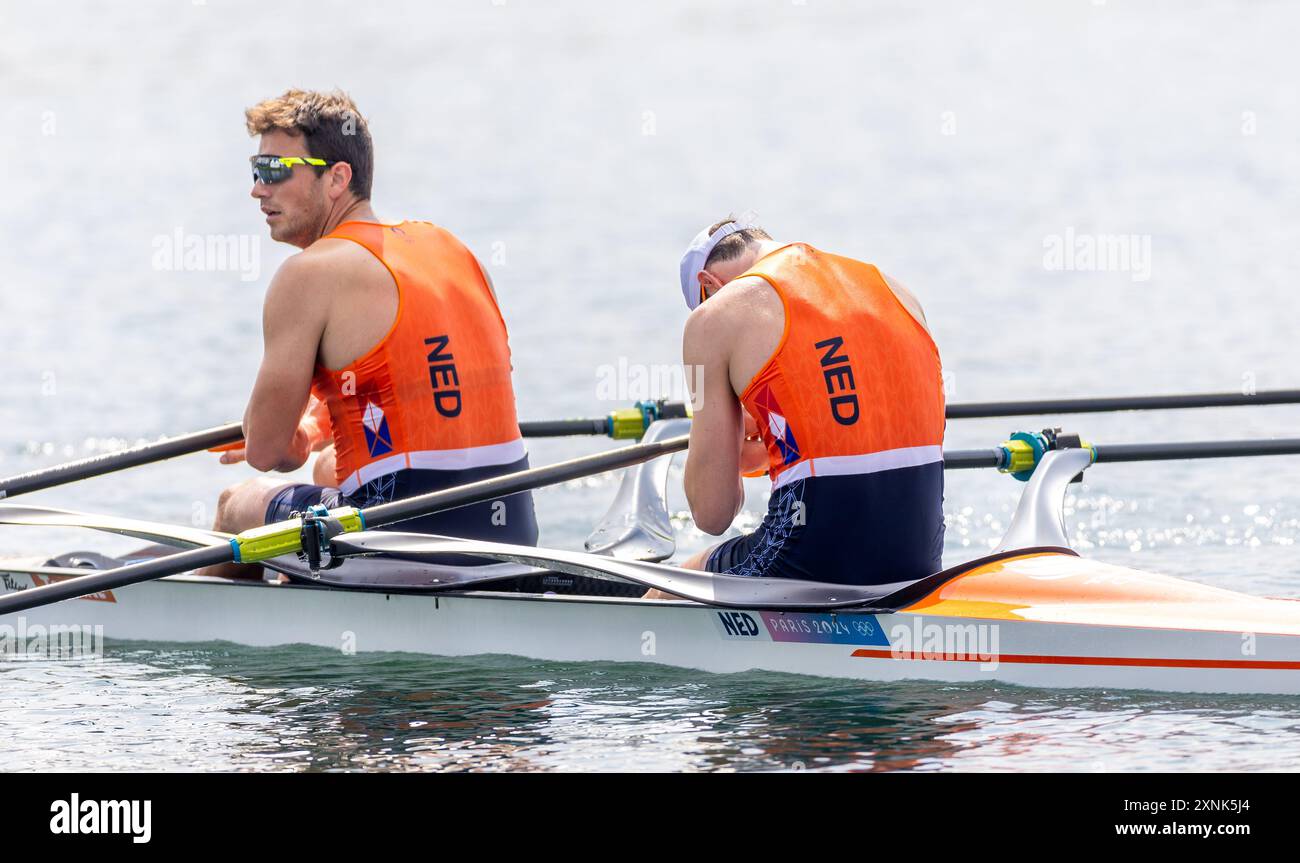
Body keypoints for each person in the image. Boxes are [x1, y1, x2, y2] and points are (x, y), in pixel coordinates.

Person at [201, 89, 537, 579]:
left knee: (237, 504)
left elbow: (267, 452)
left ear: (337, 177)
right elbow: (437, 383)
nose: (257, 189)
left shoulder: (307, 275)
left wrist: (287, 439)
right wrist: (315, 430)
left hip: (401, 541)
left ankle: (223, 636)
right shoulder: (449, 246)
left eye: (275, 170)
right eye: (256, 170)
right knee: (325, 468)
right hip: (511, 533)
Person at [654, 217, 945, 593]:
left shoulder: (711, 319)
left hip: (811, 560)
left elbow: (712, 513)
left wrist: (722, 434)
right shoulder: (896, 290)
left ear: (708, 286)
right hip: (919, 560)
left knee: (672, 583)